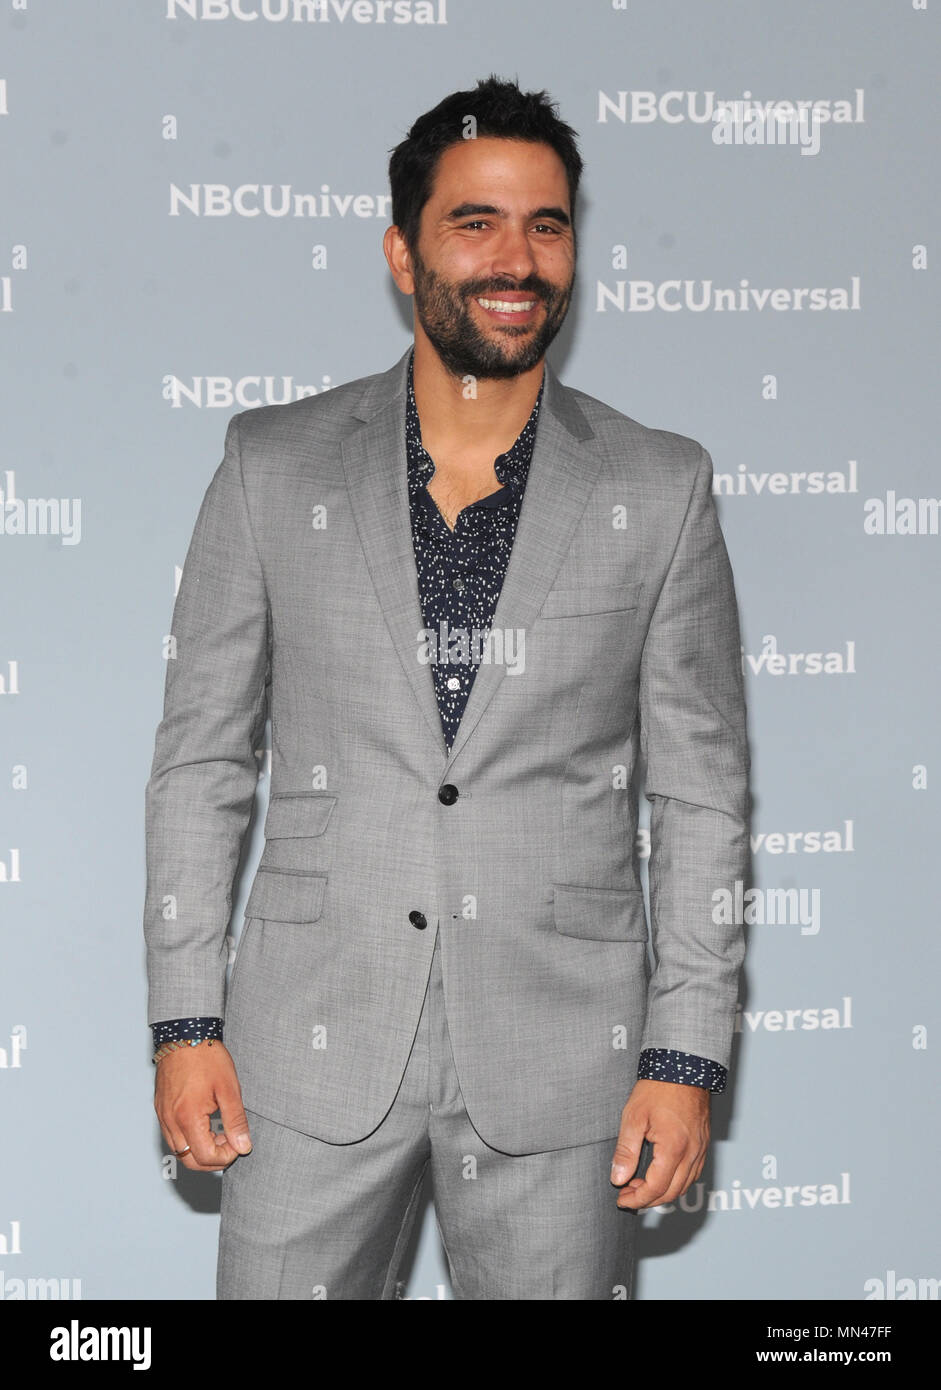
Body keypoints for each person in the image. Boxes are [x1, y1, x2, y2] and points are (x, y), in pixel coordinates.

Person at [144, 75, 750, 1301]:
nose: (514, 257)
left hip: (562, 1057)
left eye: (546, 222)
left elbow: (700, 797)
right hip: (306, 1054)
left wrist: (684, 1053)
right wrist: (182, 1022)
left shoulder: (660, 485)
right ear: (400, 249)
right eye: (474, 221)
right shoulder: (271, 465)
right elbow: (202, 763)